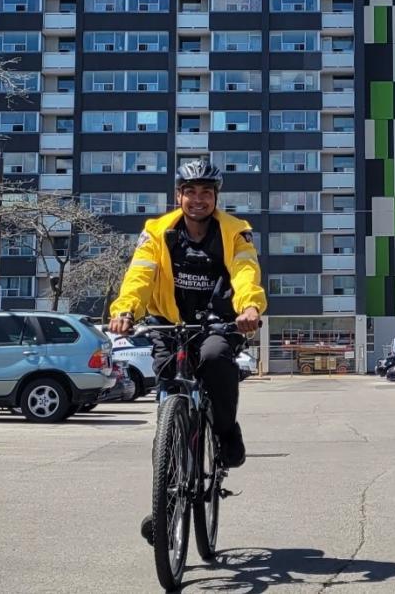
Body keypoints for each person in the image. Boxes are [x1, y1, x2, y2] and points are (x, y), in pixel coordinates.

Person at [108, 160, 266, 543]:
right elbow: (140, 274)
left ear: (215, 198)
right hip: (169, 323)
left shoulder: (234, 232)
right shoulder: (157, 232)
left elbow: (245, 271)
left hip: (218, 323)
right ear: (178, 195)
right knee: (169, 410)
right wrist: (125, 309)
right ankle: (164, 501)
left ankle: (227, 434)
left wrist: (249, 307)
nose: (198, 199)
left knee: (215, 360)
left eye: (206, 193)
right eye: (190, 192)